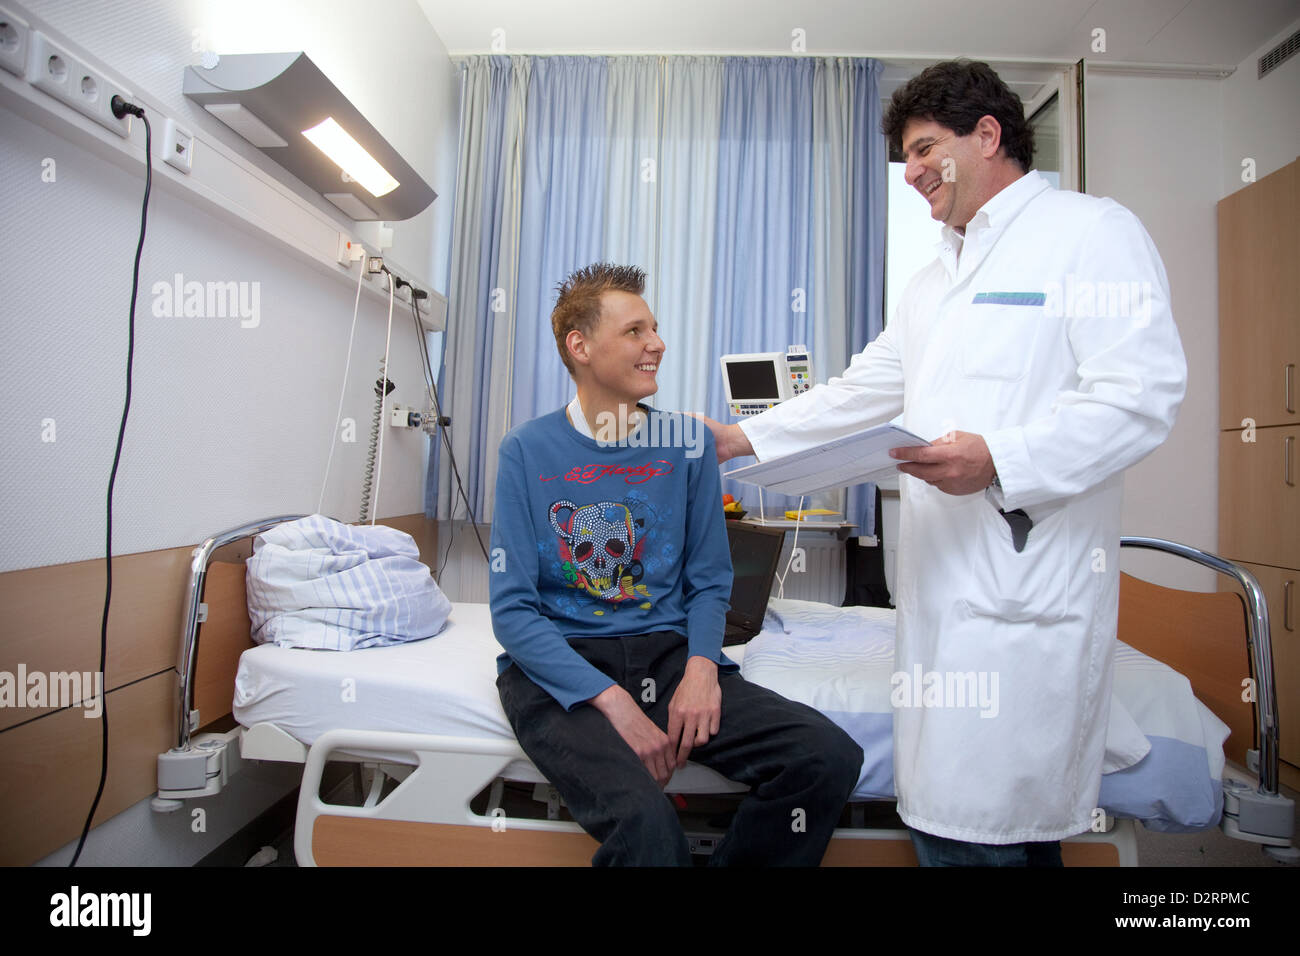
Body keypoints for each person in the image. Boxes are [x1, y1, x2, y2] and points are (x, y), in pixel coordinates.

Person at [705, 60, 1187, 866]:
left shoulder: (1089, 233)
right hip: (935, 603)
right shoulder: (934, 280)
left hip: (1024, 598)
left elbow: (1140, 397)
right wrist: (741, 439)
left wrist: (1000, 458)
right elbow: (864, 390)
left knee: (991, 832)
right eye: (906, 159)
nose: (914, 172)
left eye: (927, 148)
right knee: (959, 828)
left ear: (989, 134)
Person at [489, 262, 864, 866]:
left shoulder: (685, 446)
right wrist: (612, 702)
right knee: (647, 828)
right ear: (580, 346)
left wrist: (700, 670)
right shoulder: (526, 451)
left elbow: (711, 580)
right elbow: (512, 610)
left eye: (655, 329)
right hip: (562, 671)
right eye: (635, 330)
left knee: (827, 757)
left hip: (667, 658)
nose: (657, 344)